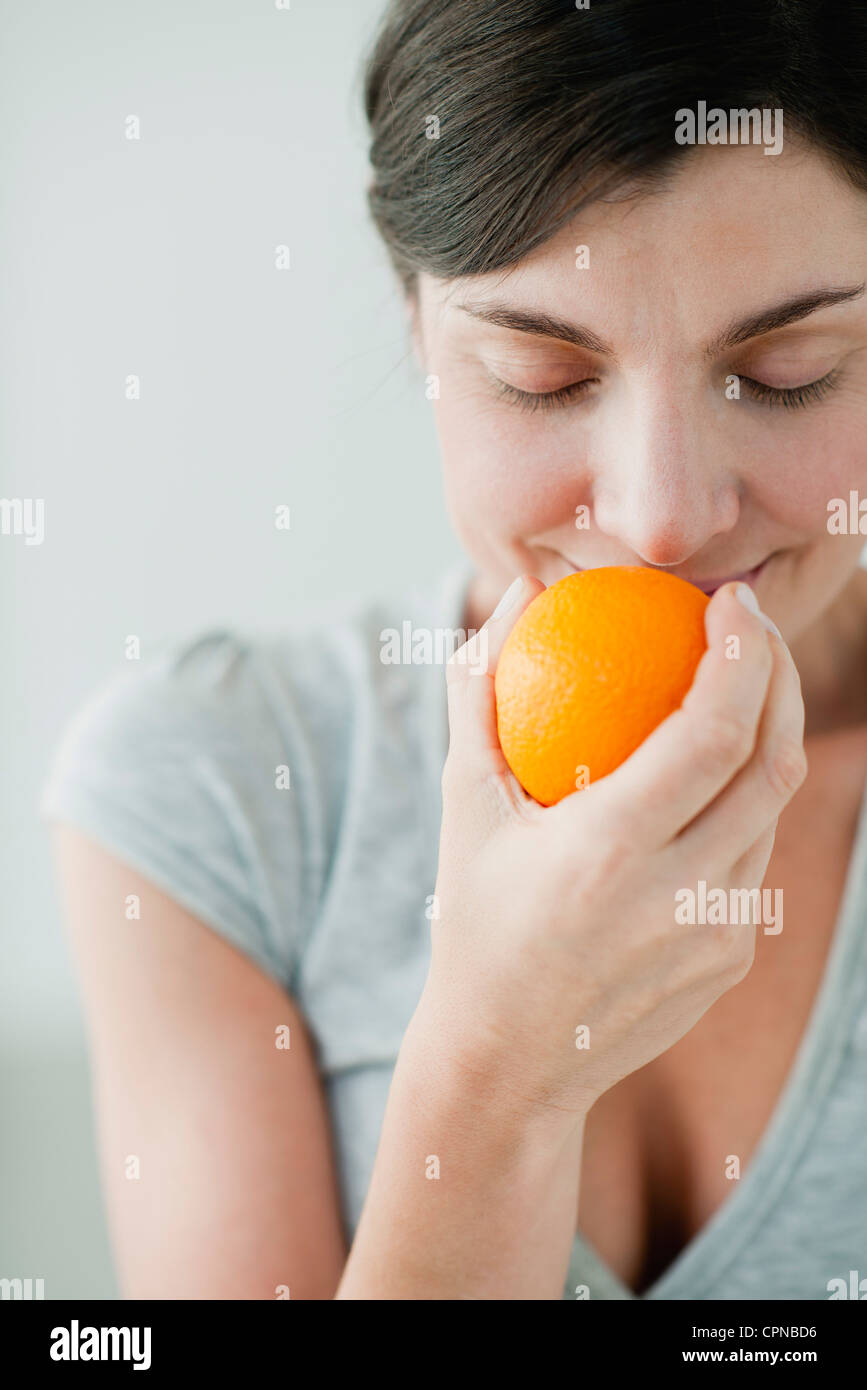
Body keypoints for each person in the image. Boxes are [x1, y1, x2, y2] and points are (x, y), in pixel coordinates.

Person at [42, 0, 867, 1300]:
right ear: (419, 331)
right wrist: (497, 1073)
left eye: (786, 370)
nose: (660, 518)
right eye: (542, 377)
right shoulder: (212, 785)